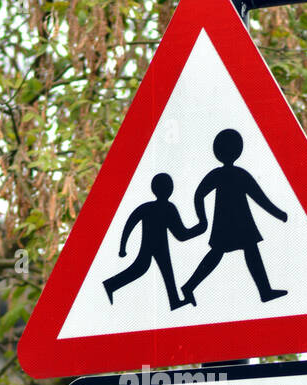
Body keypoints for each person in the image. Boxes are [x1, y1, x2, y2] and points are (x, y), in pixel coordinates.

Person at [180, 128, 288, 306]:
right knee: (224, 252)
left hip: (236, 222)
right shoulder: (236, 174)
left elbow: (259, 197)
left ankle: (264, 291)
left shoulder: (225, 174)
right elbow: (259, 198)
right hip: (234, 222)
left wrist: (278, 213)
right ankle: (189, 286)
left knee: (240, 250)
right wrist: (203, 220)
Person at [103, 172, 203, 310]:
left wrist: (123, 247)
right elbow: (181, 234)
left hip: (159, 246)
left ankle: (174, 300)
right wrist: (200, 228)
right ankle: (110, 285)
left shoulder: (152, 207)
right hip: (153, 246)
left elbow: (180, 234)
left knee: (159, 270)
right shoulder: (167, 208)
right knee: (144, 268)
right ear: (170, 189)